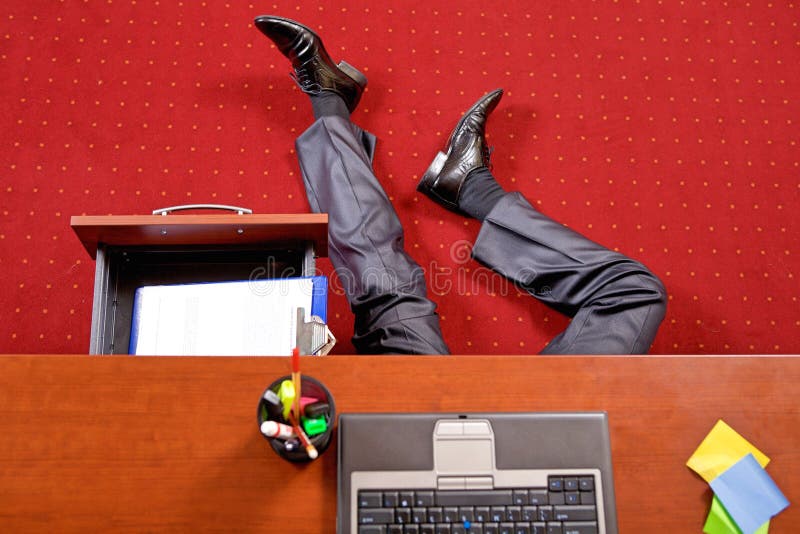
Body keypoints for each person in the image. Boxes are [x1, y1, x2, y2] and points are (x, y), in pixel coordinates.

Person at [253, 16, 667, 355]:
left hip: (417, 417)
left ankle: (331, 101)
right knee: (635, 293)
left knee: (386, 292)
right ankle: (468, 185)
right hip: (543, 419)